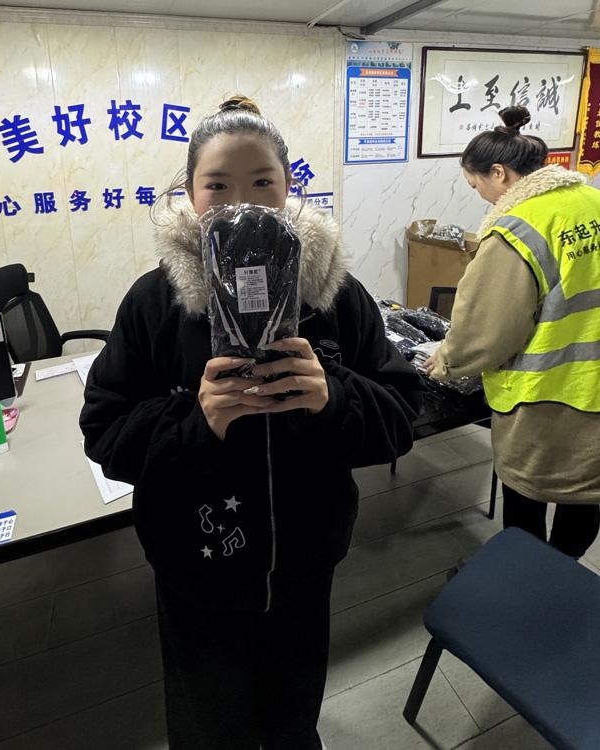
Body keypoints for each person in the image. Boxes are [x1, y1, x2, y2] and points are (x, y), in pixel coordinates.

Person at [80, 95, 422, 750]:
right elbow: (106, 433)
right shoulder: (155, 303)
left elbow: (402, 415)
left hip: (306, 562)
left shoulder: (334, 297)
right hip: (196, 567)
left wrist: (333, 396)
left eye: (262, 182)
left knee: (293, 719)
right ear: (189, 194)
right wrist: (196, 420)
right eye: (218, 185)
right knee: (208, 726)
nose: (242, 203)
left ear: (289, 186)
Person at [424, 105, 600, 559]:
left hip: (548, 395)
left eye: (476, 184)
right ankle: (566, 571)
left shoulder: (517, 229)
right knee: (588, 491)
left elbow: (487, 329)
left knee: (526, 493)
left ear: (498, 173)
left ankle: (528, 577)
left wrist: (446, 361)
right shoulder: (592, 201)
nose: (480, 195)